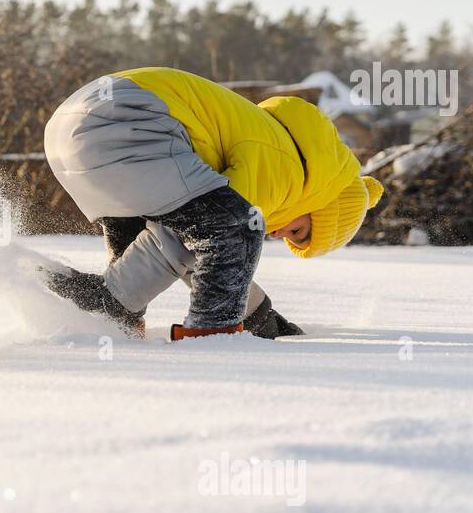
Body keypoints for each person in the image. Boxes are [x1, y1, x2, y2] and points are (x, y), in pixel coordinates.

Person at [41, 67, 384, 340]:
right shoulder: (290, 170)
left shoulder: (275, 138)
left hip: (72, 125)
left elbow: (192, 243)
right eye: (298, 230)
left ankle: (101, 316)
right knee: (234, 227)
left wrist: (256, 312)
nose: (279, 233)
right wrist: (245, 317)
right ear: (318, 199)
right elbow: (208, 238)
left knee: (162, 232)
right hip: (128, 118)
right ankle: (211, 336)